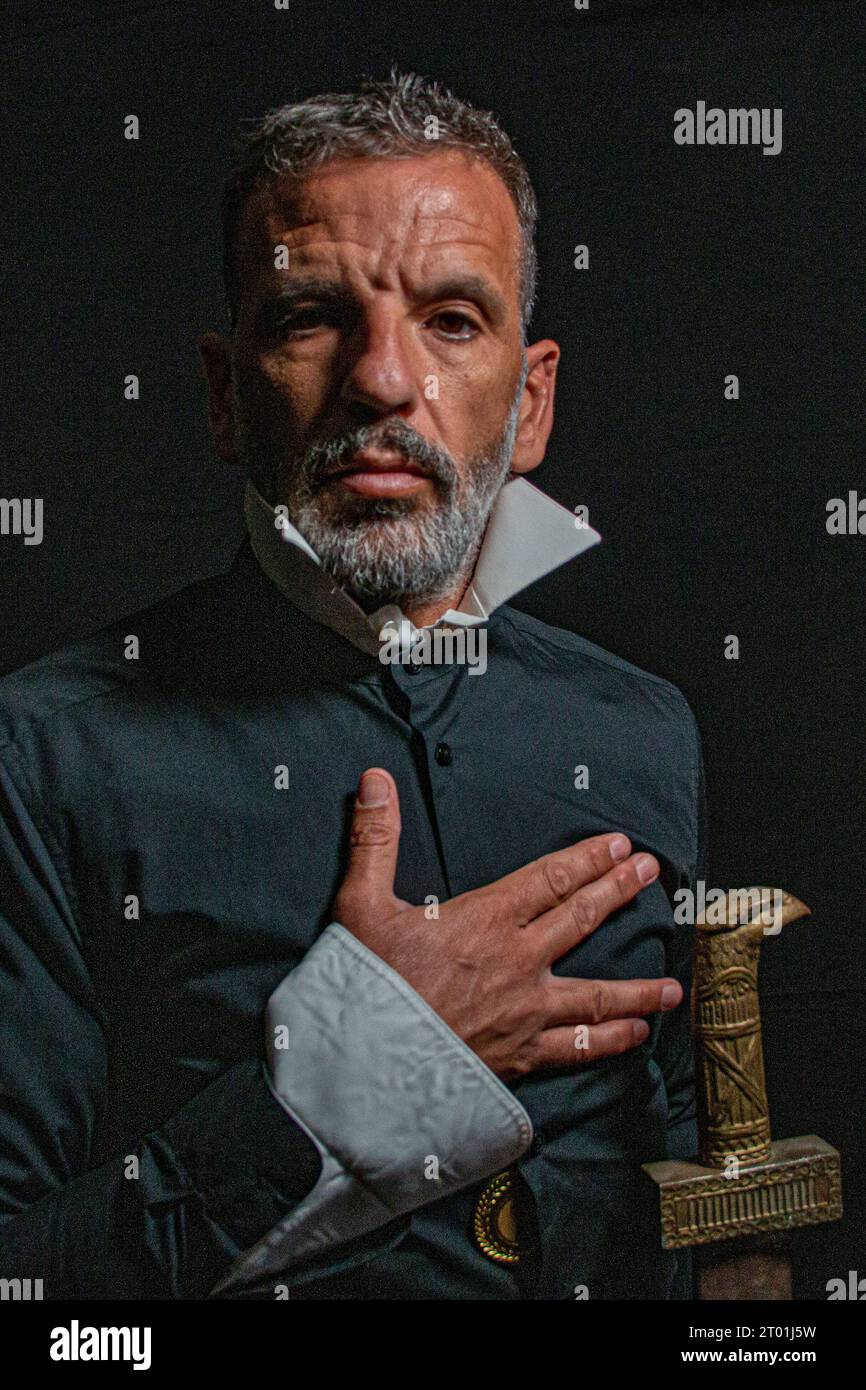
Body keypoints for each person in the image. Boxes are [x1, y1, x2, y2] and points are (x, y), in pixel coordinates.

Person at [0, 72, 705, 1300]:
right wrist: (354, 1069)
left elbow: (691, 1191)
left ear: (529, 400)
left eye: (449, 320)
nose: (382, 381)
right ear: (227, 394)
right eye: (311, 318)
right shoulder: (44, 756)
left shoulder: (645, 732)